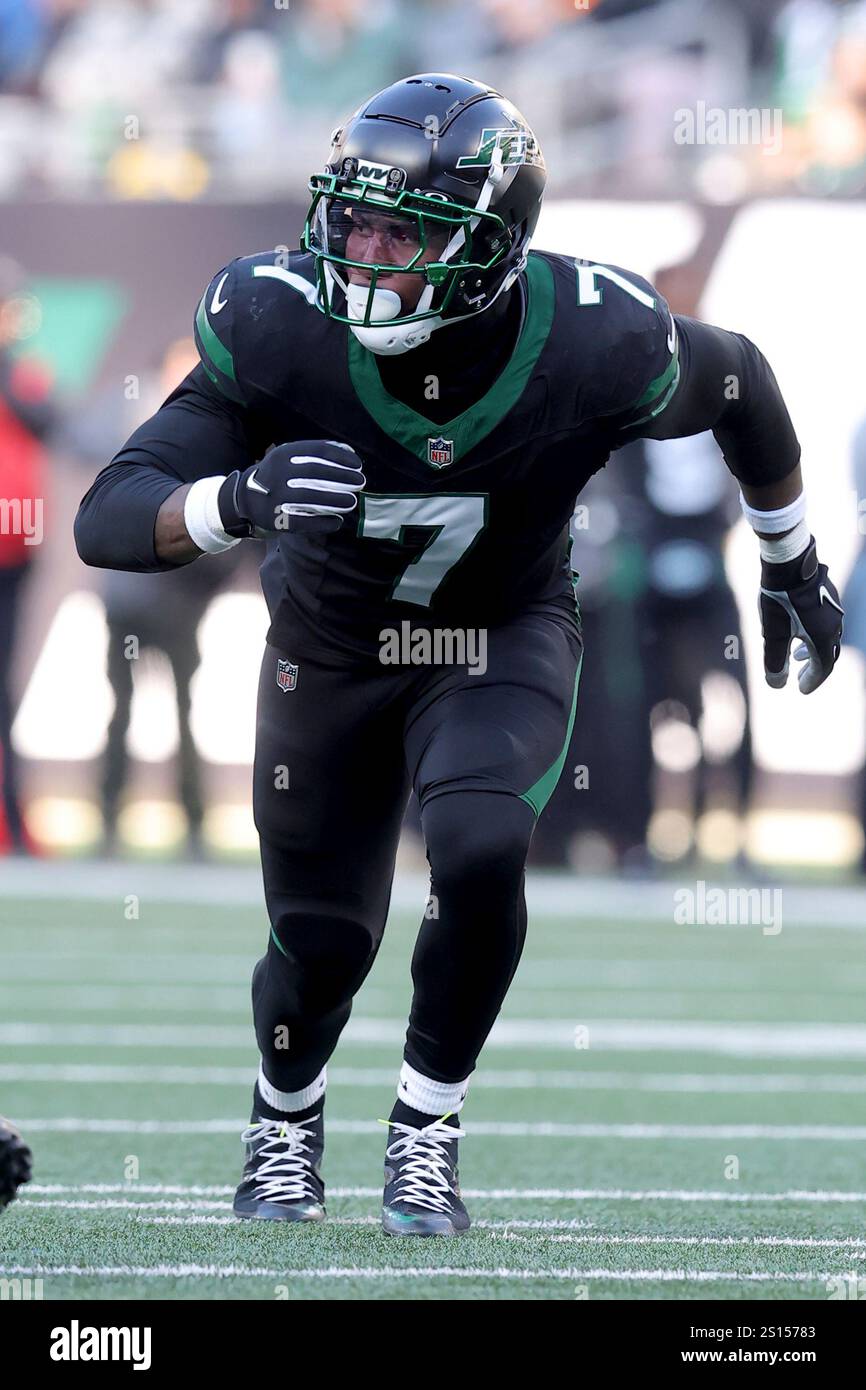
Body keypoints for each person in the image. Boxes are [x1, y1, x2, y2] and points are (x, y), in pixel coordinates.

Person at [74, 74, 843, 1236]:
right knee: (322, 939)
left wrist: (788, 557)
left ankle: (423, 1129)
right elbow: (110, 512)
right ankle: (283, 1119)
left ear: (488, 247)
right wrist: (235, 499)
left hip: (496, 633)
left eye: (405, 231)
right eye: (355, 221)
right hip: (327, 650)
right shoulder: (277, 319)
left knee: (480, 844)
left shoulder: (594, 333)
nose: (365, 253)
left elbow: (739, 380)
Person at [0, 257, 54, 855]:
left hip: (11, 551)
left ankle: (10, 819)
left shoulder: (21, 374)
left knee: (3, 690)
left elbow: (48, 419)